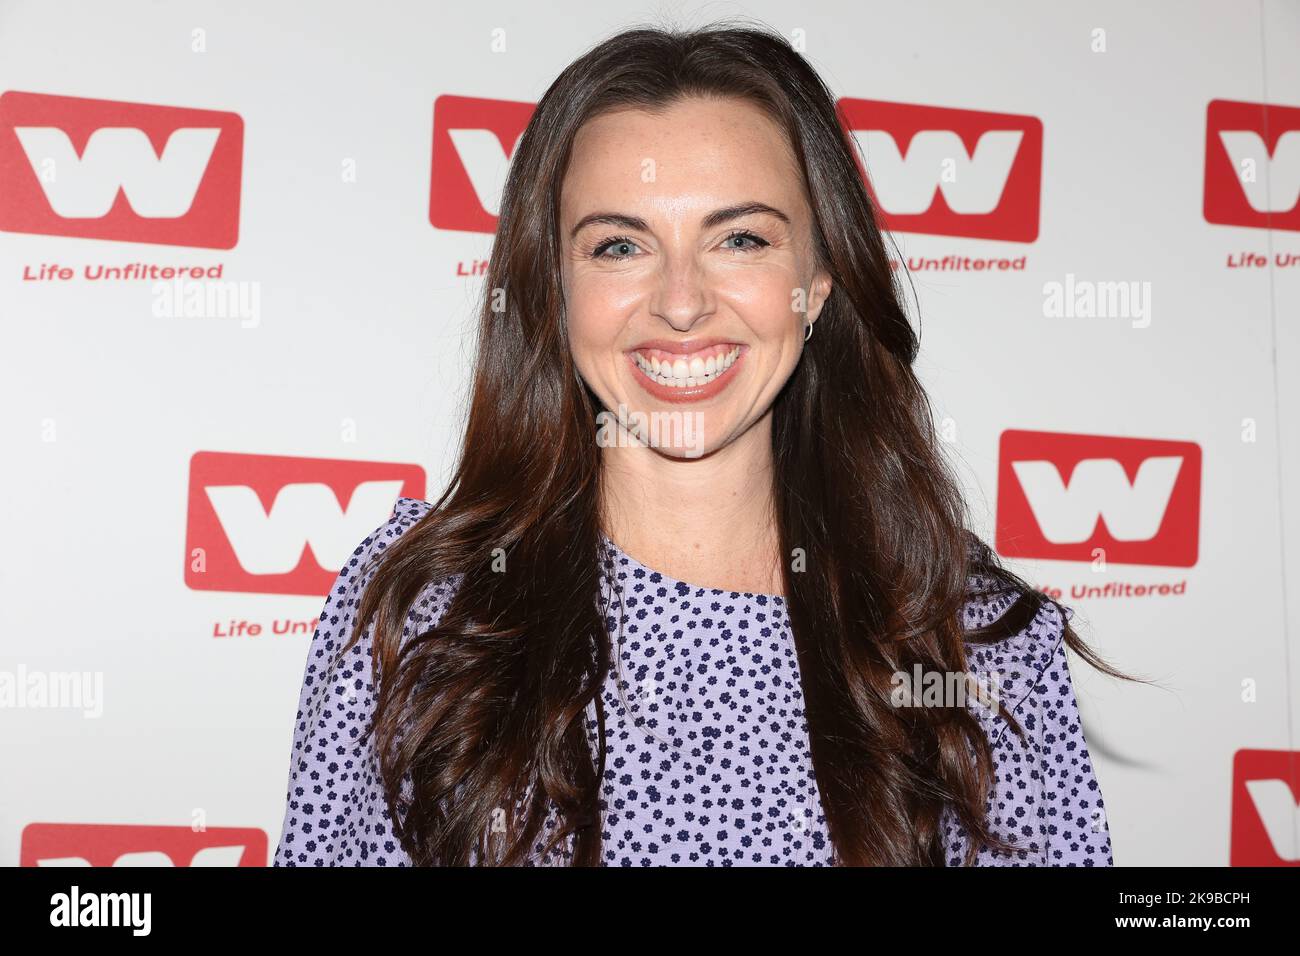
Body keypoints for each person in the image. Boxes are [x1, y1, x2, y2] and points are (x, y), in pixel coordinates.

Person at [274, 20, 1129, 867]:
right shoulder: (427, 611)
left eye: (741, 239)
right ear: (555, 290)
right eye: (619, 246)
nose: (681, 302)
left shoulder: (969, 638)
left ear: (819, 281)